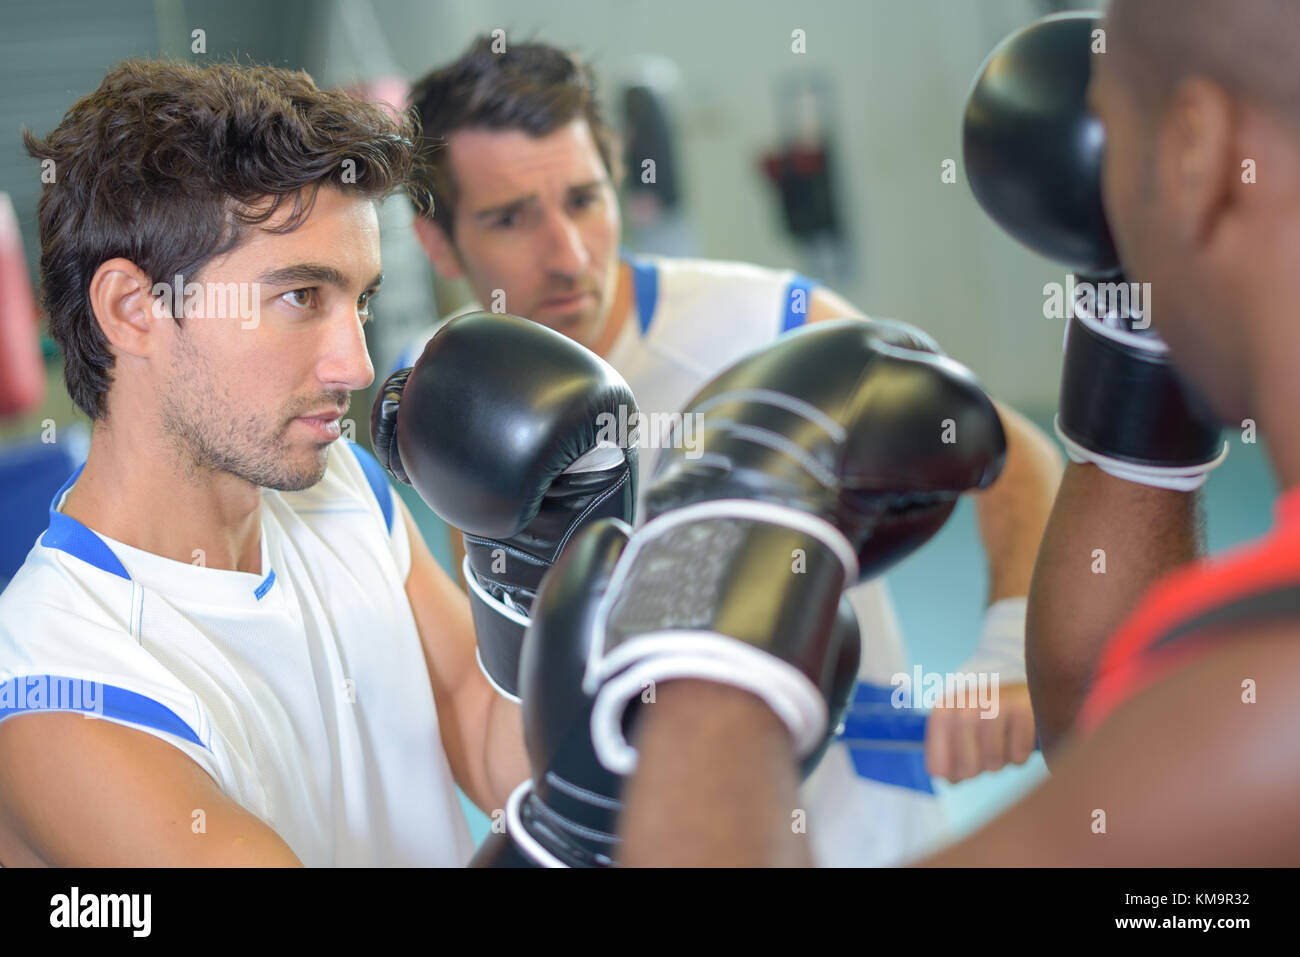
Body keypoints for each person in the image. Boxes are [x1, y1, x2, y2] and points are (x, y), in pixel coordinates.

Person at [617, 0, 1300, 866]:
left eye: (1119, 148)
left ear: (1193, 152)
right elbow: (1111, 728)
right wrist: (1134, 326)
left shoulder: (1275, 700)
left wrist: (711, 596)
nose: (1106, 201)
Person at [396, 37, 1064, 865]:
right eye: (509, 218)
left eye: (583, 198)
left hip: (857, 823)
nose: (567, 253)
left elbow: (1012, 452)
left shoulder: (768, 322)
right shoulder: (470, 401)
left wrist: (1008, 651)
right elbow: (514, 682)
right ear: (436, 242)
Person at [0, 60, 541, 865]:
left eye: (358, 300)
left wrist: (537, 567)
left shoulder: (343, 491)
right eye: (301, 297)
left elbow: (497, 744)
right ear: (131, 310)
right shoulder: (61, 682)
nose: (356, 366)